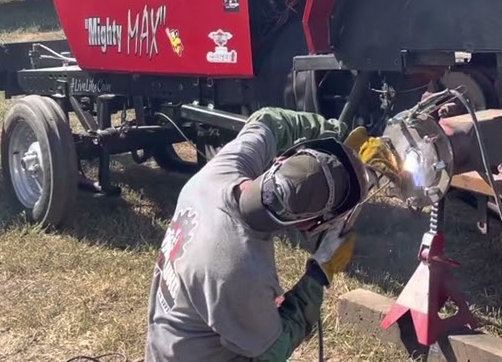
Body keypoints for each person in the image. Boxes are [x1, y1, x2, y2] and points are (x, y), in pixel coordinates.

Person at [144, 107, 373, 362]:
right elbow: (274, 350)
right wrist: (319, 274)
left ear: (280, 161)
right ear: (307, 225)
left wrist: (336, 133)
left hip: (172, 341)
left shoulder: (222, 170)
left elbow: (268, 121)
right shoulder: (238, 268)